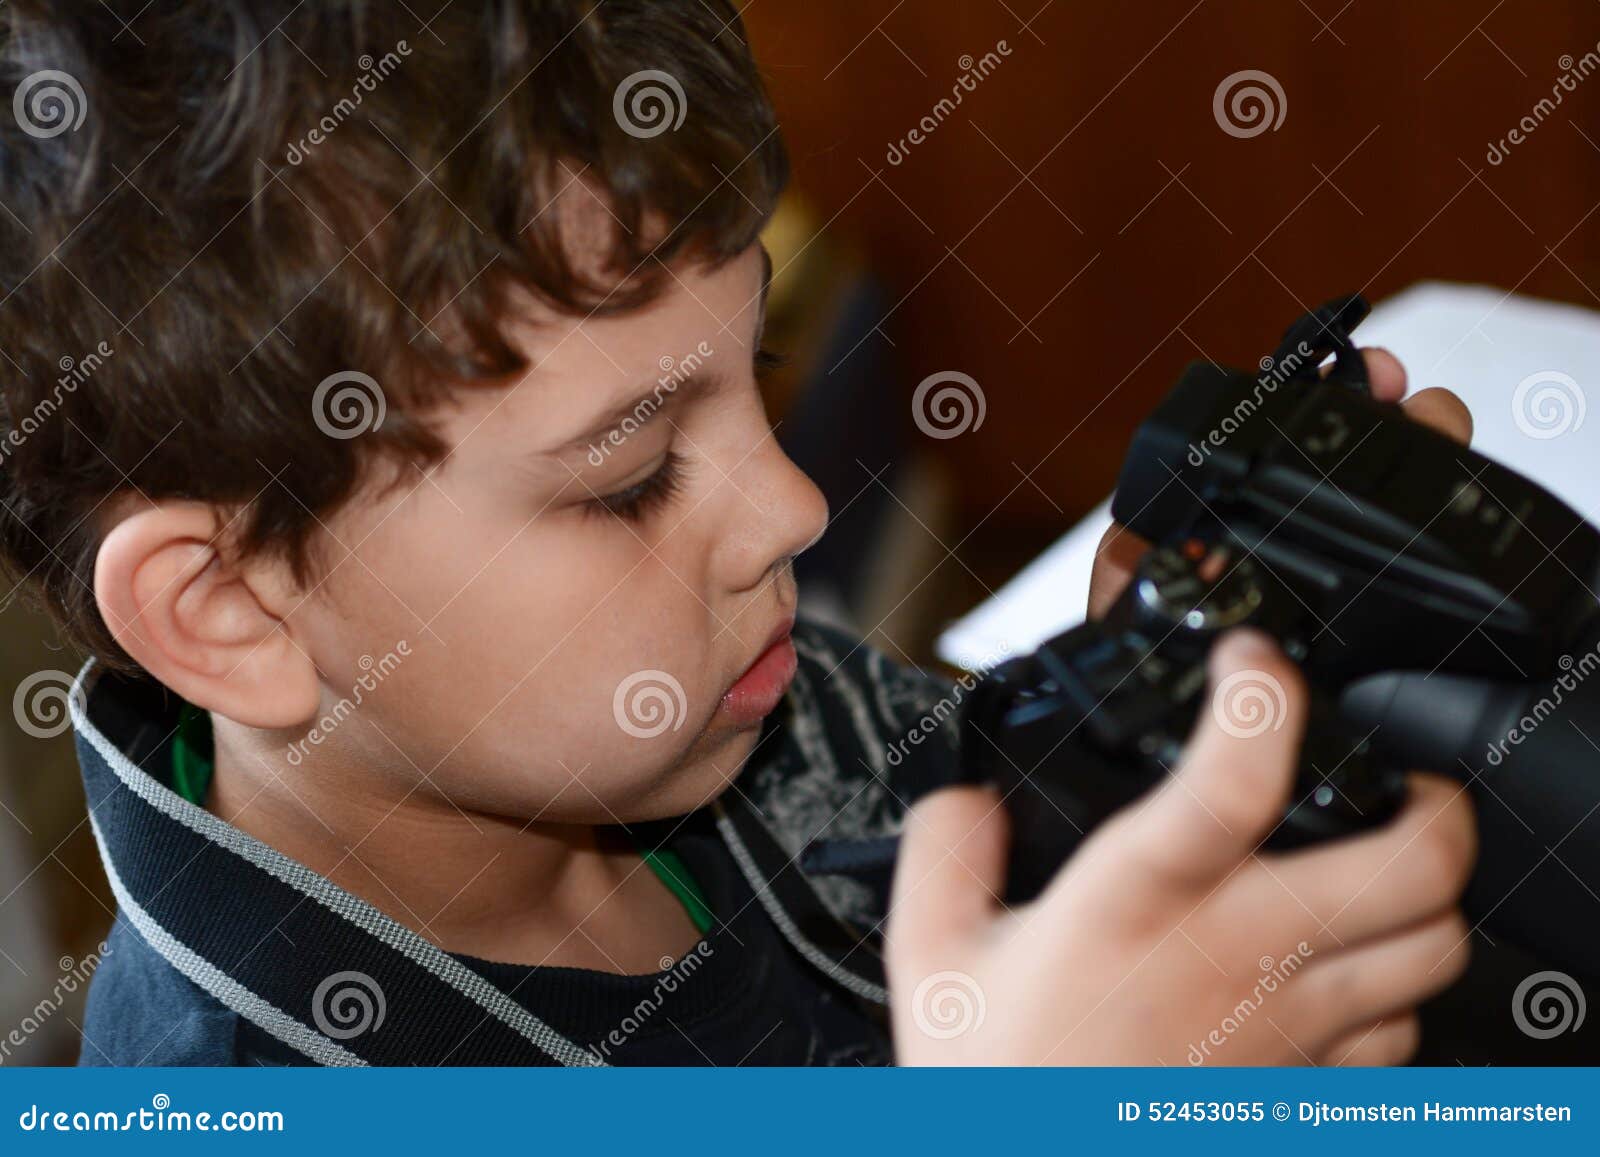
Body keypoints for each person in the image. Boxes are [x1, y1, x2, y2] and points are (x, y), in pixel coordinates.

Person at [0, 0, 1474, 1066]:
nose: (790, 506)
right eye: (630, 474)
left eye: (751, 375)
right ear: (227, 610)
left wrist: (1122, 716)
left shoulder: (723, 701)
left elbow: (956, 843)